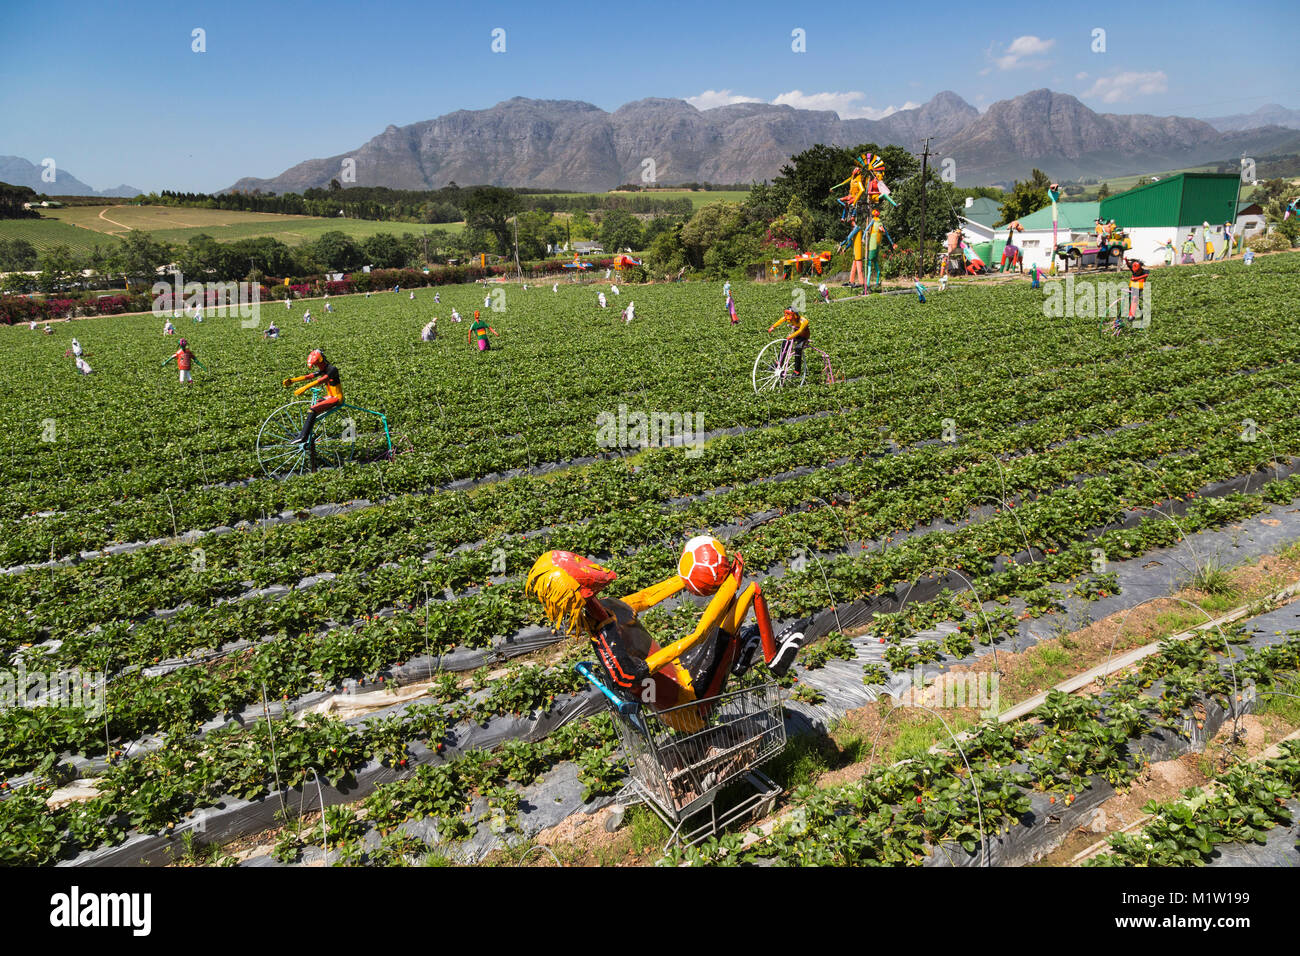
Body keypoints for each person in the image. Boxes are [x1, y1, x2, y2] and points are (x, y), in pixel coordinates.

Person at [524, 549, 806, 719]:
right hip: (691, 702)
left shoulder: (607, 612)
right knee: (750, 594)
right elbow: (697, 635)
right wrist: (730, 585)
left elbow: (646, 598)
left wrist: (685, 578)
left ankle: (740, 651)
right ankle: (773, 660)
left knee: (726, 627)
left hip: (684, 674)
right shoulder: (611, 646)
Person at [283, 350, 342, 445]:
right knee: (314, 406)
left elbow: (322, 380)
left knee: (313, 409)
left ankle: (303, 437)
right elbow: (309, 376)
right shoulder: (323, 369)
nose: (317, 367)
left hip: (336, 398)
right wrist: (292, 380)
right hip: (329, 396)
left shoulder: (332, 369)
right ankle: (305, 432)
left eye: (317, 364)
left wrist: (305, 387)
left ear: (321, 360)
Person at [768, 308, 810, 375]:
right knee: (785, 343)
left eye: (789, 314)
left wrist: (791, 336)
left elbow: (800, 331)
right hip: (795, 334)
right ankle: (779, 362)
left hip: (803, 336)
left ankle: (797, 370)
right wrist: (773, 327)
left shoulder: (804, 321)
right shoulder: (789, 317)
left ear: (795, 315)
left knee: (798, 348)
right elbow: (781, 319)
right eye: (786, 314)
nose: (787, 317)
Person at [864, 210, 896, 291]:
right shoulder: (873, 221)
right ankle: (867, 285)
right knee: (870, 266)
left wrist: (892, 243)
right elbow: (866, 229)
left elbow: (887, 234)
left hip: (877, 246)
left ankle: (876, 284)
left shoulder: (880, 222)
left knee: (876, 267)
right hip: (872, 245)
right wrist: (863, 237)